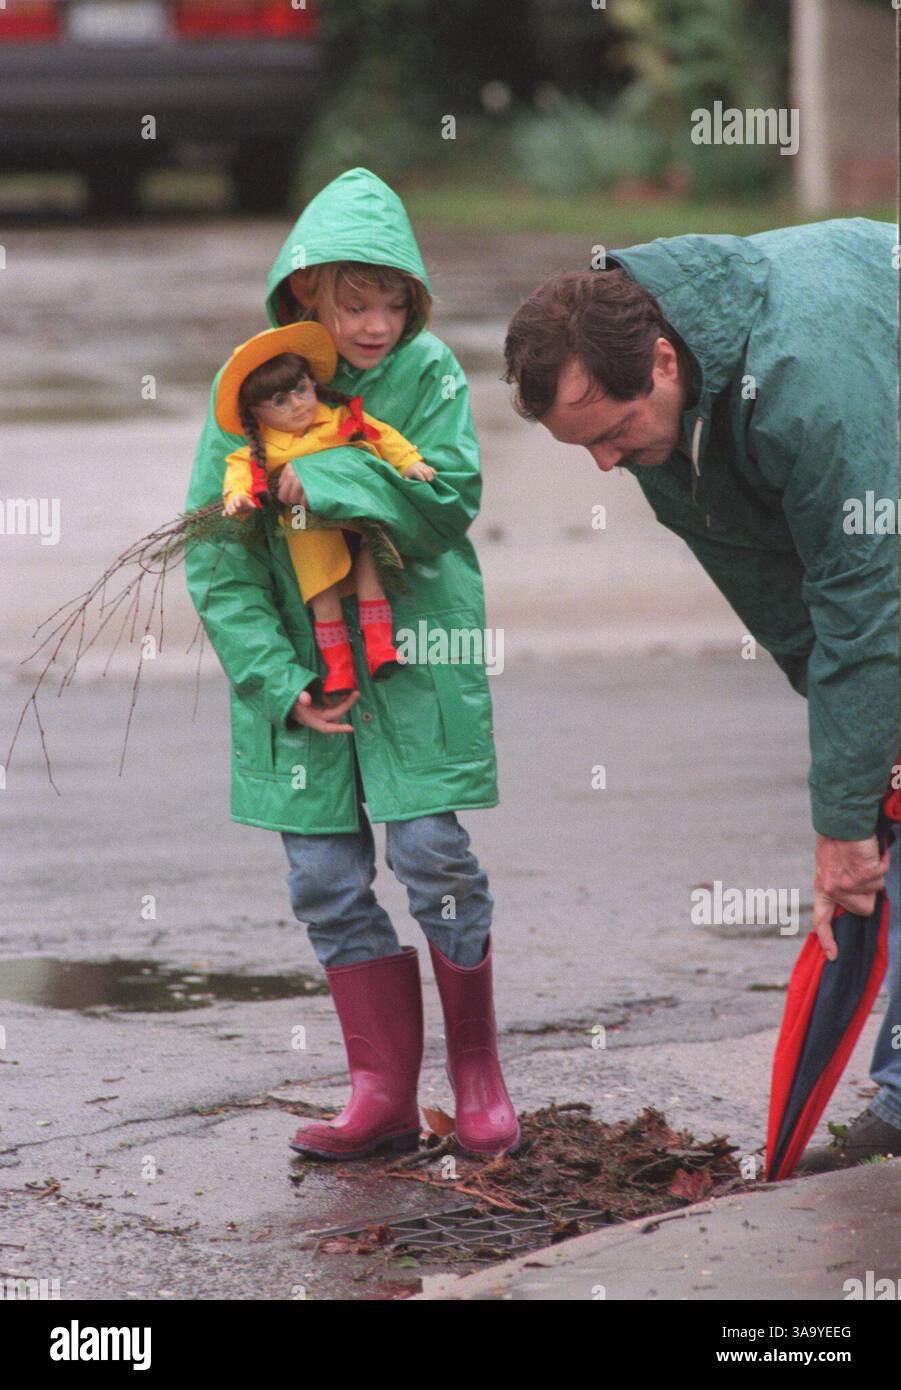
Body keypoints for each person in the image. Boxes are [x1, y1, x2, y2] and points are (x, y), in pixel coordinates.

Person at [502, 219, 900, 1169]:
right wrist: (868, 782)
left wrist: (842, 825)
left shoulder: (805, 382)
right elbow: (795, 621)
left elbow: (862, 597)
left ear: (666, 362)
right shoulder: (659, 440)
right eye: (582, 447)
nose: (602, 463)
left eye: (608, 432)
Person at [184, 167, 520, 1161]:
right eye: (353, 302)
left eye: (393, 303)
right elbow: (217, 554)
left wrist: (320, 473)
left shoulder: (431, 377)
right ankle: (378, 1089)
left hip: (410, 652)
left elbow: (447, 498)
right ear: (306, 297)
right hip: (302, 674)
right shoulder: (246, 390)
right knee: (324, 877)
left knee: (430, 854)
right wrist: (274, 680)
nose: (375, 325)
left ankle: (476, 1075)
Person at [216, 320, 436, 694]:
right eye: (280, 402)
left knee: (372, 556)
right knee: (321, 590)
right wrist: (237, 498)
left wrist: (409, 462)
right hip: (305, 520)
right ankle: (340, 669)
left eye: (302, 390)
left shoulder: (338, 419)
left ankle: (380, 646)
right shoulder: (261, 450)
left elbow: (381, 435)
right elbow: (238, 472)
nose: (298, 404)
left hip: (353, 508)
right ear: (257, 414)